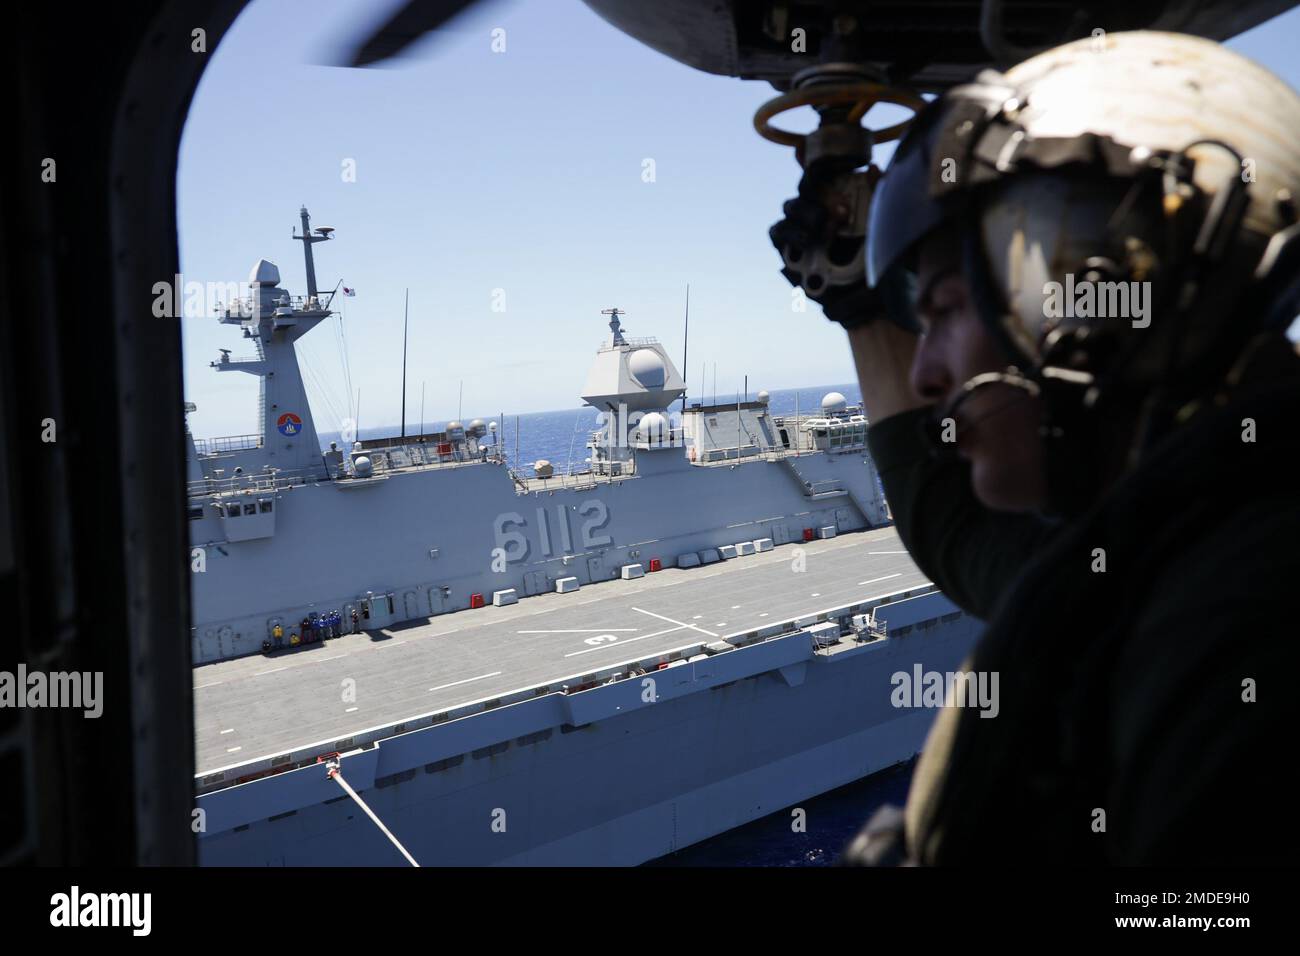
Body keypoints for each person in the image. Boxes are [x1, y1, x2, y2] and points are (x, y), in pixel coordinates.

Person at [784, 32, 1300, 864]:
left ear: (1090, 287)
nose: (924, 375)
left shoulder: (1245, 616)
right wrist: (855, 300)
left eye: (946, 309)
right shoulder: (1164, 538)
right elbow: (956, 525)